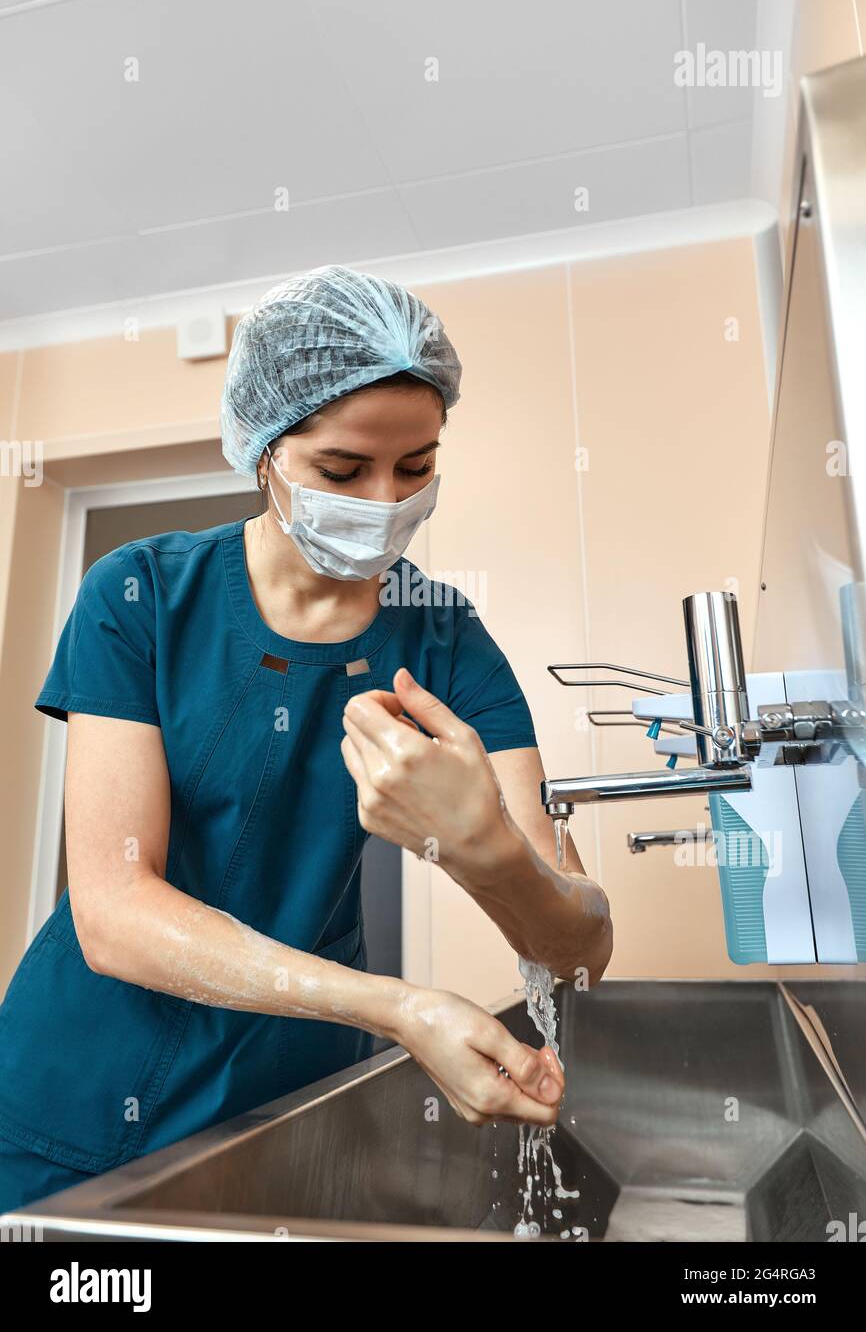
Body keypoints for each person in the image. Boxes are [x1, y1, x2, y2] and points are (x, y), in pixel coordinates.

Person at [0, 265, 612, 1215]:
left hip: (281, 1113)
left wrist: (489, 851)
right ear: (264, 450)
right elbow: (113, 911)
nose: (382, 500)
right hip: (69, 1099)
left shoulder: (444, 641)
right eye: (341, 470)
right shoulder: (140, 597)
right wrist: (397, 1007)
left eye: (416, 467)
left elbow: (576, 952)